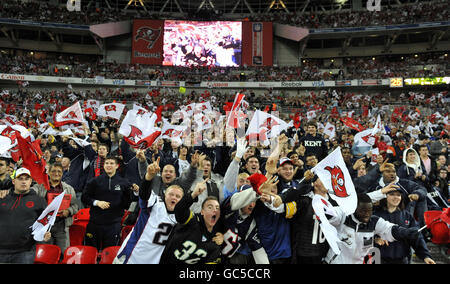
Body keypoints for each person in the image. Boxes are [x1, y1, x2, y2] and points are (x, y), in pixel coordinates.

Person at [114, 159, 185, 264]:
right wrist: (148, 177)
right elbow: (144, 195)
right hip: (133, 254)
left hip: (154, 260)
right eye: (171, 194)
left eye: (178, 196)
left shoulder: (181, 217)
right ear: (165, 195)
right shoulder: (155, 202)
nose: (173, 197)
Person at [323, 193, 423, 264]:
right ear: (354, 208)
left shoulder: (374, 221)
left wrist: (406, 232)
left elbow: (389, 229)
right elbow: (330, 214)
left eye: (369, 211)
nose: (367, 214)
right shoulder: (344, 217)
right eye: (363, 211)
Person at [81, 156, 139, 250]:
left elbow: (129, 201)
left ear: (117, 166)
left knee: (109, 252)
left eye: (111, 163)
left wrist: (136, 192)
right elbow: (84, 197)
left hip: (113, 225)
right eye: (107, 163)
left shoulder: (124, 183)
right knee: (90, 251)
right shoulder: (94, 181)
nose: (109, 165)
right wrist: (96, 202)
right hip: (94, 223)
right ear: (103, 166)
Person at [159, 179, 224, 264]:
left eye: (217, 208)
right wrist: (194, 194)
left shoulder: (216, 240)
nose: (214, 211)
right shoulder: (192, 220)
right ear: (202, 212)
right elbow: (179, 210)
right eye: (210, 207)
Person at [0, 168, 51, 264]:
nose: (24, 182)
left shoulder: (39, 201)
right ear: (14, 181)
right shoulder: (3, 197)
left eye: (26, 179)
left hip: (24, 252)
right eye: (20, 179)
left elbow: (46, 222)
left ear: (30, 181)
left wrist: (44, 234)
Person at [374, 189, 435, 264]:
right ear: (385, 196)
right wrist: (375, 240)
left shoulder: (407, 216)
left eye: (398, 195)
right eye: (392, 194)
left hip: (403, 260)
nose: (396, 197)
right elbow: (364, 237)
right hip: (379, 260)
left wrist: (426, 256)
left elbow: (417, 237)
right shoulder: (375, 215)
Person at [32, 162, 78, 253]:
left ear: (62, 173)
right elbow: (30, 194)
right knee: (45, 254)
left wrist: (68, 211)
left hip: (61, 226)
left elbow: (75, 206)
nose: (56, 174)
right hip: (44, 226)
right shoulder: (40, 186)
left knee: (62, 253)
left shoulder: (69, 189)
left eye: (59, 171)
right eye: (53, 171)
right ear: (48, 172)